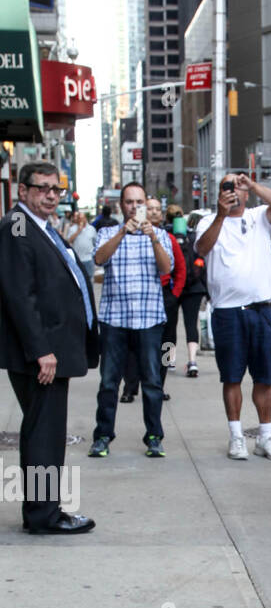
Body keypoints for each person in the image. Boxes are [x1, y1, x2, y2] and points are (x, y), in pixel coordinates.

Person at [0, 161, 98, 534]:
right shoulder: (18, 226)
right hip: (43, 357)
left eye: (55, 189)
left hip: (53, 352)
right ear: (22, 191)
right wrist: (41, 350)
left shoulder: (42, 228)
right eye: (41, 188)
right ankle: (43, 516)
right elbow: (19, 297)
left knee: (47, 433)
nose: (50, 195)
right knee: (43, 436)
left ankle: (46, 510)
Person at [194, 172, 271, 461]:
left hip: (259, 310)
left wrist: (254, 185)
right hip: (227, 312)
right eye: (227, 186)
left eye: (239, 185)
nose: (234, 190)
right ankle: (236, 437)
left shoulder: (259, 217)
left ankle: (265, 436)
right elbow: (202, 248)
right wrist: (221, 215)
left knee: (264, 377)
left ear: (247, 192)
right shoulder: (208, 222)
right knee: (232, 377)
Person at [88, 181, 173, 459]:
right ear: (121, 205)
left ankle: (154, 436)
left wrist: (154, 238)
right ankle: (102, 435)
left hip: (149, 319)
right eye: (129, 202)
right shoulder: (108, 232)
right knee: (109, 381)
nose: (134, 207)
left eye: (139, 203)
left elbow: (166, 268)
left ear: (146, 205)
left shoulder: (159, 233)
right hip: (115, 318)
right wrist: (124, 232)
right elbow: (99, 259)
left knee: (152, 381)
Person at [120, 198, 186, 404]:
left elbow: (181, 269)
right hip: (138, 296)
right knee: (133, 342)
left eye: (158, 209)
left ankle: (159, 384)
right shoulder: (130, 237)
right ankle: (130, 386)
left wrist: (174, 295)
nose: (155, 213)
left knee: (167, 343)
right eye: (150, 209)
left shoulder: (168, 238)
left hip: (165, 296)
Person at [175, 215, 209, 377]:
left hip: (173, 287)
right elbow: (202, 263)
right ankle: (192, 361)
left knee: (169, 327)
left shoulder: (168, 237)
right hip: (194, 288)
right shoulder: (195, 240)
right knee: (191, 325)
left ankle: (168, 361)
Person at [69, 211, 97, 285]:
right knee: (78, 280)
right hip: (77, 259)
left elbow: (95, 242)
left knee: (89, 279)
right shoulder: (72, 229)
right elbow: (69, 240)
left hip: (88, 259)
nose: (81, 220)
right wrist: (78, 231)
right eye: (79, 218)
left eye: (82, 218)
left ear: (85, 219)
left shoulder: (91, 229)